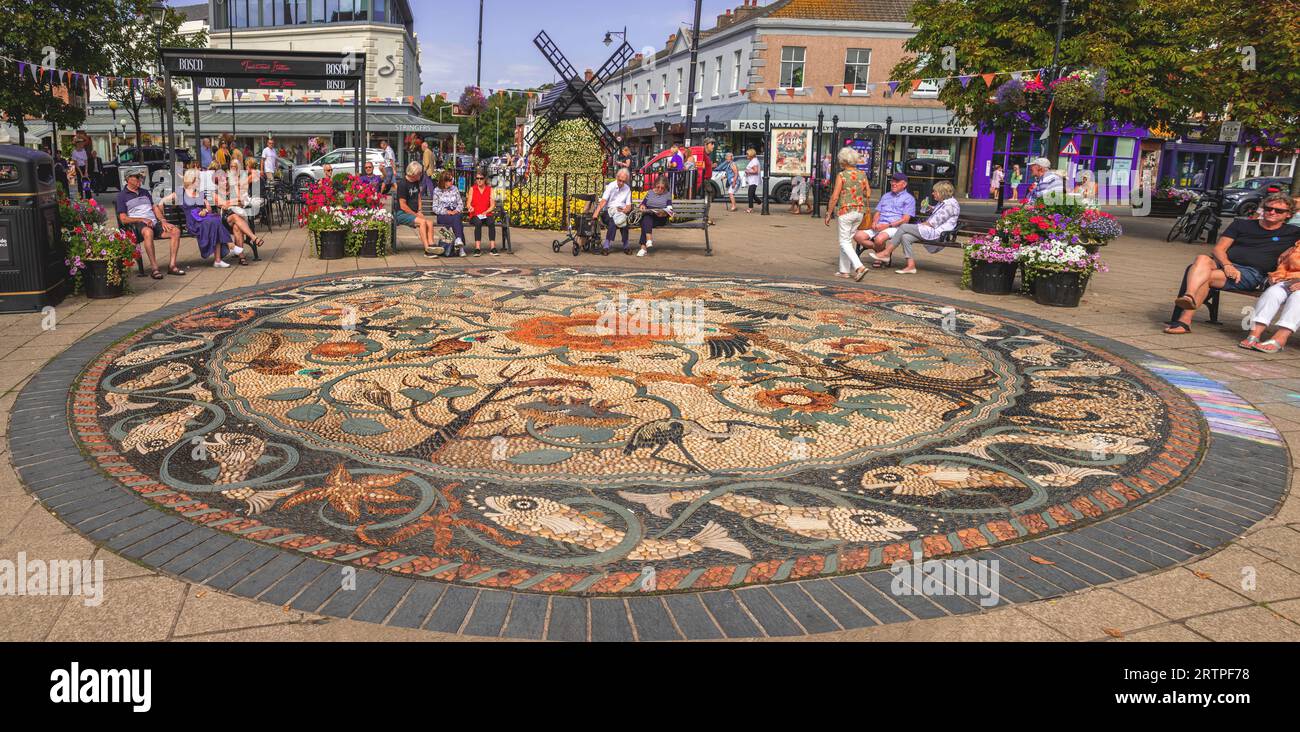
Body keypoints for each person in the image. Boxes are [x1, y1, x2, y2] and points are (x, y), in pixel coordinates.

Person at [1166, 193, 1300, 334]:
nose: (1272, 212)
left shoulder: (1293, 232)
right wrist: (1227, 265)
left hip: (1251, 273)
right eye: (1268, 208)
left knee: (1203, 275)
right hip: (1225, 264)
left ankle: (1184, 320)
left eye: (1278, 210)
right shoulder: (1241, 224)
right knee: (1202, 259)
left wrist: (1293, 248)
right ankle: (1189, 296)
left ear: (1288, 214)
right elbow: (1218, 249)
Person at [875, 181, 960, 275]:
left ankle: (886, 253)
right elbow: (938, 213)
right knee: (905, 237)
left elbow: (932, 223)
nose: (932, 193)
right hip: (934, 230)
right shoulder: (945, 202)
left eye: (935, 191)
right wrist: (929, 207)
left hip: (938, 234)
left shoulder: (949, 205)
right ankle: (910, 266)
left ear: (942, 192)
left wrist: (919, 225)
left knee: (903, 227)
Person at [164, 169, 243, 267]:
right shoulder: (180, 193)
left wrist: (205, 210)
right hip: (193, 223)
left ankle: (219, 259)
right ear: (191, 180)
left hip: (204, 220)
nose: (199, 181)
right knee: (214, 221)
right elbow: (162, 201)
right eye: (198, 179)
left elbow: (209, 208)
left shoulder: (200, 193)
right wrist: (162, 219)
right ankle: (228, 247)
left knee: (215, 221)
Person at [116, 170, 184, 279]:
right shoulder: (122, 196)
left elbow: (154, 208)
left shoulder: (145, 192)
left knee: (175, 231)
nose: (140, 180)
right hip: (138, 225)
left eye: (141, 178)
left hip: (154, 222)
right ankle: (154, 268)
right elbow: (123, 219)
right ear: (128, 179)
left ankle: (172, 266)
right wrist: (142, 219)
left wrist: (162, 220)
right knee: (148, 232)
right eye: (137, 177)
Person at [1241, 235, 1300, 352]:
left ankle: (1280, 338)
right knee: (1273, 292)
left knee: (1298, 297)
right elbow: (1286, 265)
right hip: (1291, 280)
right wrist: (1278, 276)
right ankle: (1254, 334)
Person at [823, 147, 871, 282]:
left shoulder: (842, 175)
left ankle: (859, 267)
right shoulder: (862, 174)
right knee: (848, 241)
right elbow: (868, 193)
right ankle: (844, 270)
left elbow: (835, 196)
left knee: (844, 241)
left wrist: (829, 212)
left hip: (845, 210)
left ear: (843, 161)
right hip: (859, 212)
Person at [854, 173, 916, 265]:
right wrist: (874, 222)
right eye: (892, 181)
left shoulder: (909, 199)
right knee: (858, 236)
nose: (893, 184)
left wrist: (887, 225)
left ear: (904, 184)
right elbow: (878, 212)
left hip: (895, 227)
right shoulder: (886, 196)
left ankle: (880, 256)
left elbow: (905, 220)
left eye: (897, 182)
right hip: (879, 224)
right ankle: (883, 252)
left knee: (879, 239)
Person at [392, 162, 436, 253]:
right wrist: (416, 215)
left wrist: (419, 210)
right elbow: (403, 206)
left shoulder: (416, 181)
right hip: (402, 213)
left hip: (414, 213)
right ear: (413, 174)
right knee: (423, 222)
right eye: (419, 173)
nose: (421, 175)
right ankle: (427, 249)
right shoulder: (402, 184)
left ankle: (432, 245)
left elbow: (419, 197)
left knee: (430, 223)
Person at [593, 168, 633, 254]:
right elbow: (604, 201)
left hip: (621, 212)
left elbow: (629, 206)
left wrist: (625, 210)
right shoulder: (611, 186)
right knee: (612, 221)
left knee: (624, 221)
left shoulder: (627, 189)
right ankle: (606, 245)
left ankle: (626, 245)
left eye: (623, 181)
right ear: (616, 177)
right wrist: (596, 213)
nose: (621, 183)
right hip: (609, 211)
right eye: (620, 180)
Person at [429, 169, 467, 257]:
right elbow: (434, 208)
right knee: (457, 220)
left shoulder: (455, 189)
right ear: (444, 181)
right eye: (449, 180)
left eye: (452, 179)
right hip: (443, 215)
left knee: (456, 218)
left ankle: (458, 241)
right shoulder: (437, 190)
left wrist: (456, 210)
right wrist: (447, 211)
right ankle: (460, 247)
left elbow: (460, 203)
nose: (452, 181)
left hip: (455, 212)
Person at [635, 176, 673, 257]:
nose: (659, 189)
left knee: (645, 222)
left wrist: (664, 213)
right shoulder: (650, 192)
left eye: (662, 188)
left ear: (665, 187)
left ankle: (644, 247)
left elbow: (670, 208)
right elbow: (643, 203)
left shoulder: (667, 194)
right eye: (658, 187)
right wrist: (642, 206)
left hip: (661, 218)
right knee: (646, 218)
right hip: (649, 215)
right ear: (655, 185)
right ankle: (647, 242)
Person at [467, 170, 498, 256]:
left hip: (486, 214)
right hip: (475, 215)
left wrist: (486, 212)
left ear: (485, 179)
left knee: (491, 222)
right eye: (477, 178)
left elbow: (492, 205)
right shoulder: (472, 189)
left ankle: (493, 247)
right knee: (478, 222)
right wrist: (470, 207)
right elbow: (468, 203)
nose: (479, 180)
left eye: (481, 178)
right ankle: (477, 248)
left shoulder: (490, 189)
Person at [744, 148, 762, 213]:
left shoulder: (754, 161)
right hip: (752, 180)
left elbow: (755, 171)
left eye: (747, 154)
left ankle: (750, 208)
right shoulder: (753, 161)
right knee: (752, 194)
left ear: (751, 155)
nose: (747, 156)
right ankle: (759, 201)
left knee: (750, 194)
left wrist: (748, 171)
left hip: (754, 181)